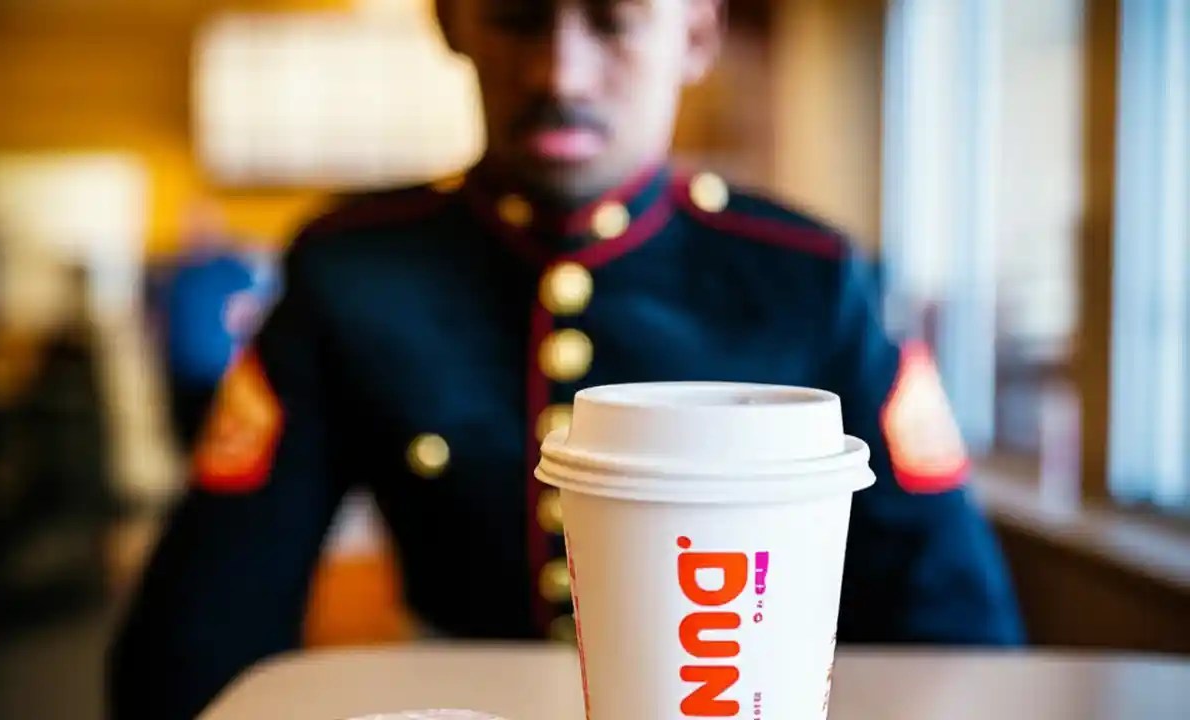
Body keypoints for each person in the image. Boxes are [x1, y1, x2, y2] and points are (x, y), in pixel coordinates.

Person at [110, 0, 1022, 716]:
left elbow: (957, 621)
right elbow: (207, 614)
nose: (559, 69)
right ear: (449, 19)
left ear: (697, 29)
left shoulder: (811, 278)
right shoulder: (353, 273)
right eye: (515, 15)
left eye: (615, 19)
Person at [156, 205, 275, 450]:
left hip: (225, 377)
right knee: (184, 443)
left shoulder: (235, 270)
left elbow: (259, 309)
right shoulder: (177, 273)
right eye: (191, 227)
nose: (196, 233)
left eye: (203, 226)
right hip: (181, 376)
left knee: (220, 446)